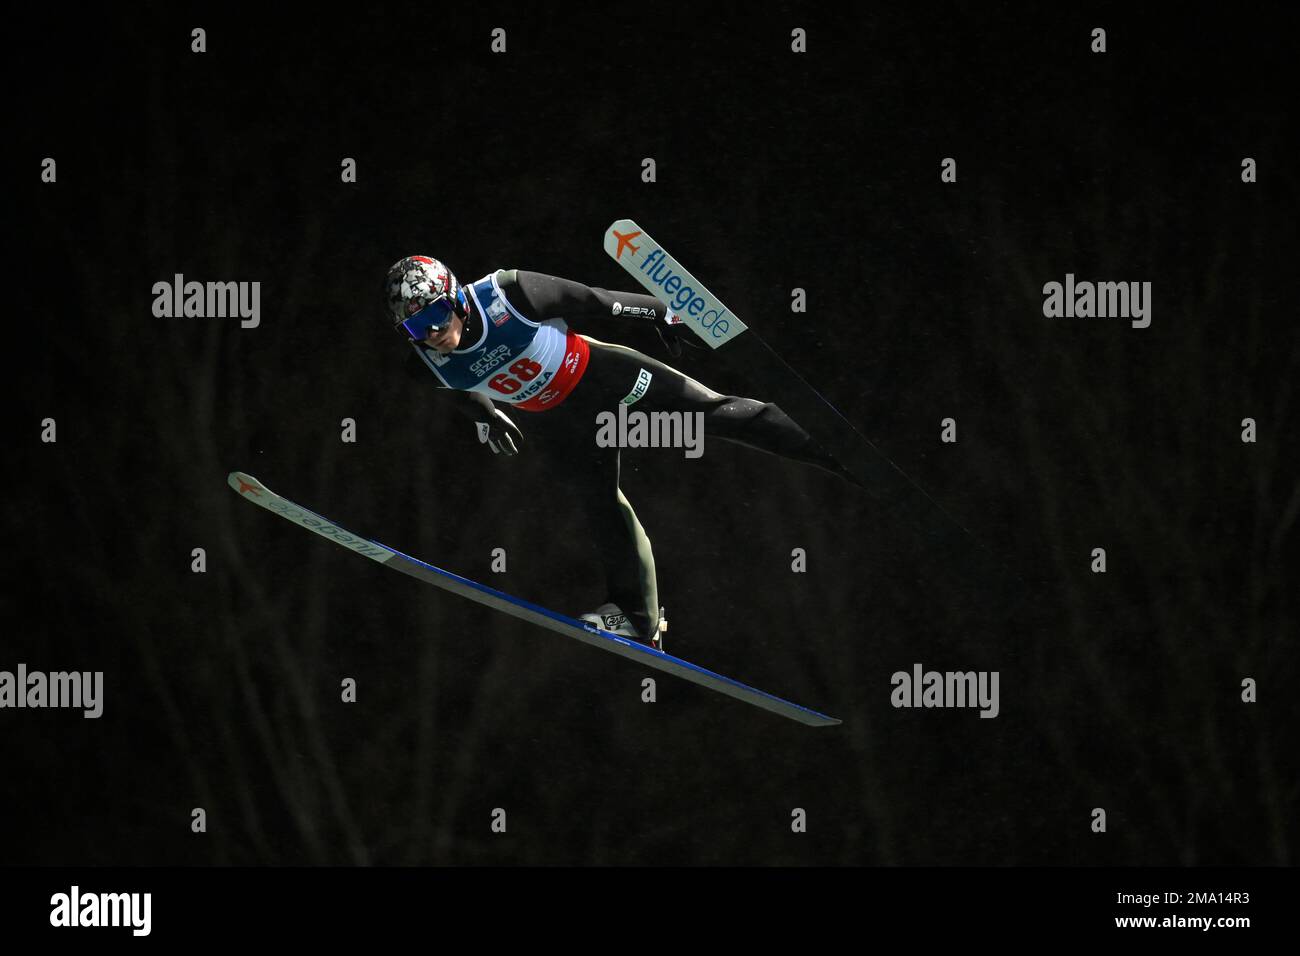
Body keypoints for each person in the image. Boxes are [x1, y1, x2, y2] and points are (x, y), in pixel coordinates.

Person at [384, 255, 860, 650]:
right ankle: (638, 616)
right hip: (565, 421)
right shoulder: (424, 363)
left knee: (711, 415)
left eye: (433, 317)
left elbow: (597, 301)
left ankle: (835, 451)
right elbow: (461, 389)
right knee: (601, 505)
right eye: (415, 328)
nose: (429, 334)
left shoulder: (506, 293)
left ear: (457, 297)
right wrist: (486, 416)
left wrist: (662, 312)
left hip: (602, 376)